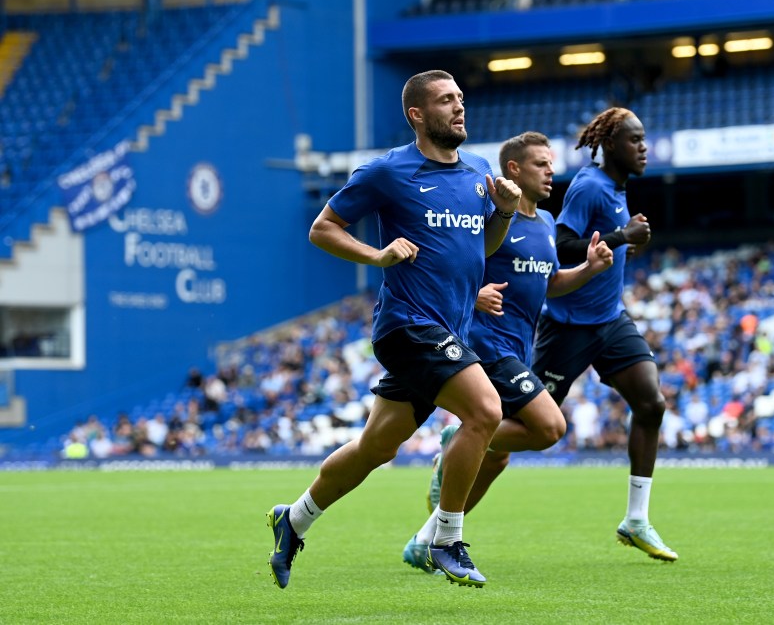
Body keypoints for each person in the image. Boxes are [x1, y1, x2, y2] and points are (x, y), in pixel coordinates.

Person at [265, 70, 522, 589]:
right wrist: (378, 255)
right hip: (408, 326)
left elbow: (483, 249)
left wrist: (505, 214)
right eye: (446, 100)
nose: (458, 107)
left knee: (376, 448)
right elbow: (323, 228)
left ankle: (293, 520)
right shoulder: (388, 171)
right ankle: (446, 540)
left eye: (460, 99)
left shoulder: (478, 171)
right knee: (486, 410)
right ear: (417, 115)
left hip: (449, 328)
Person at [401, 131, 614, 573]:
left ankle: (427, 540)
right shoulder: (493, 215)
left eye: (551, 164)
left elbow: (551, 284)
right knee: (550, 427)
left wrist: (590, 268)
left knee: (495, 461)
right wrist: (474, 292)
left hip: (520, 348)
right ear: (513, 169)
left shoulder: (548, 223)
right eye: (540, 164)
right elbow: (450, 261)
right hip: (485, 343)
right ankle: (454, 439)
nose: (551, 171)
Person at [531, 107, 679, 561]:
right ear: (611, 145)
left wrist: (627, 242)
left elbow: (604, 250)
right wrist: (621, 234)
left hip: (610, 320)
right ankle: (455, 451)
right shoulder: (589, 186)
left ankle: (636, 520)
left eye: (644, 139)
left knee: (651, 403)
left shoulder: (616, 187)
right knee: (529, 427)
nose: (644, 147)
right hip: (569, 326)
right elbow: (561, 247)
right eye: (635, 140)